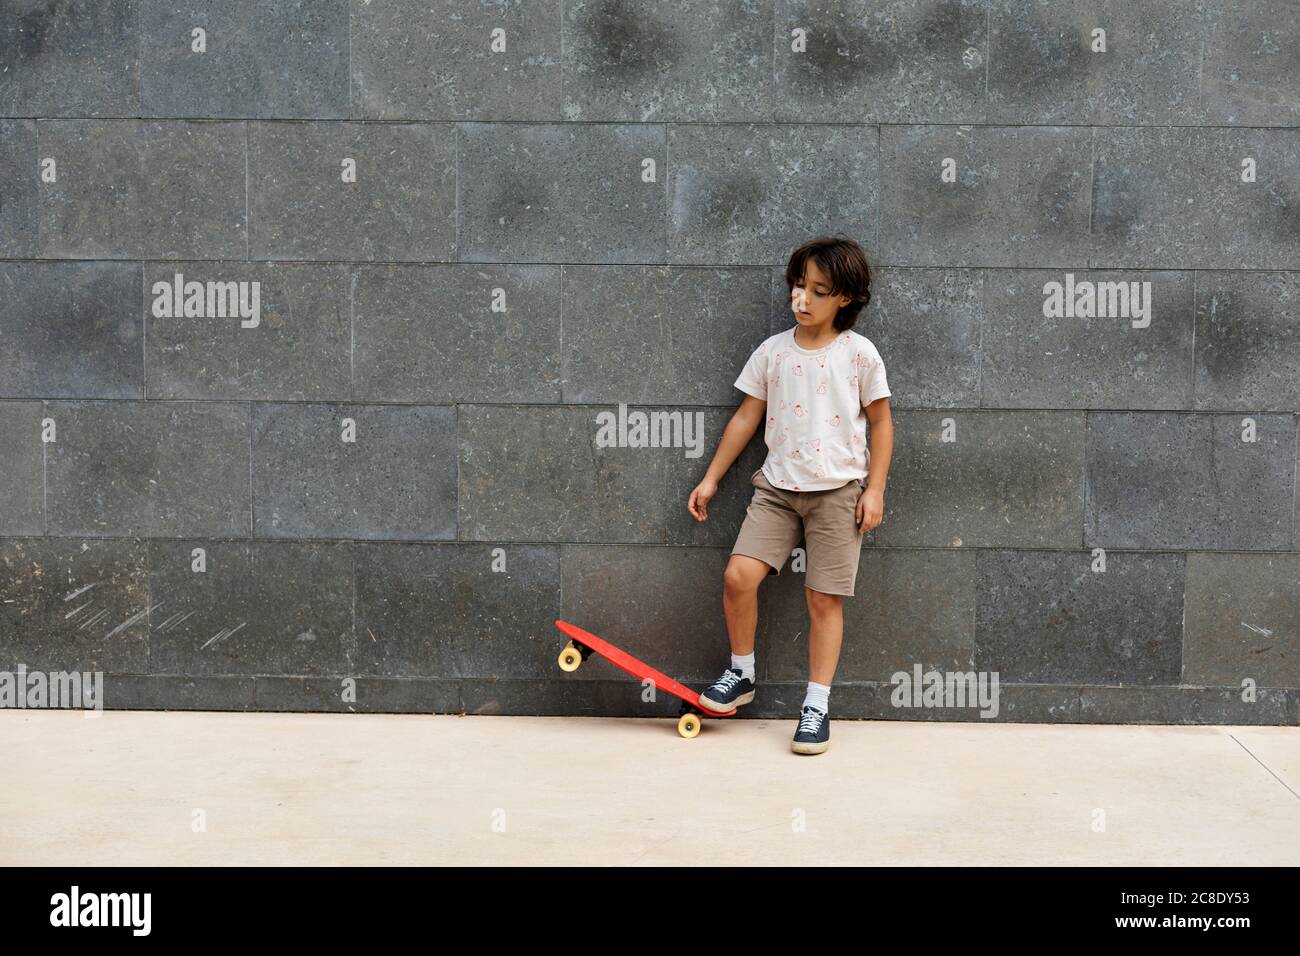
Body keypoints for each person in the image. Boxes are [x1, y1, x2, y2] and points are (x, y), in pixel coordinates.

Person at [686, 235, 893, 755]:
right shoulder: (773, 352)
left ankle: (817, 705)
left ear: (844, 297)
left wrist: (875, 490)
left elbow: (882, 422)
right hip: (777, 488)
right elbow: (745, 418)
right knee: (739, 576)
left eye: (819, 290)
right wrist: (712, 477)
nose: (803, 299)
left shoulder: (859, 354)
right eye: (799, 286)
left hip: (839, 492)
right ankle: (741, 674)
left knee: (823, 598)